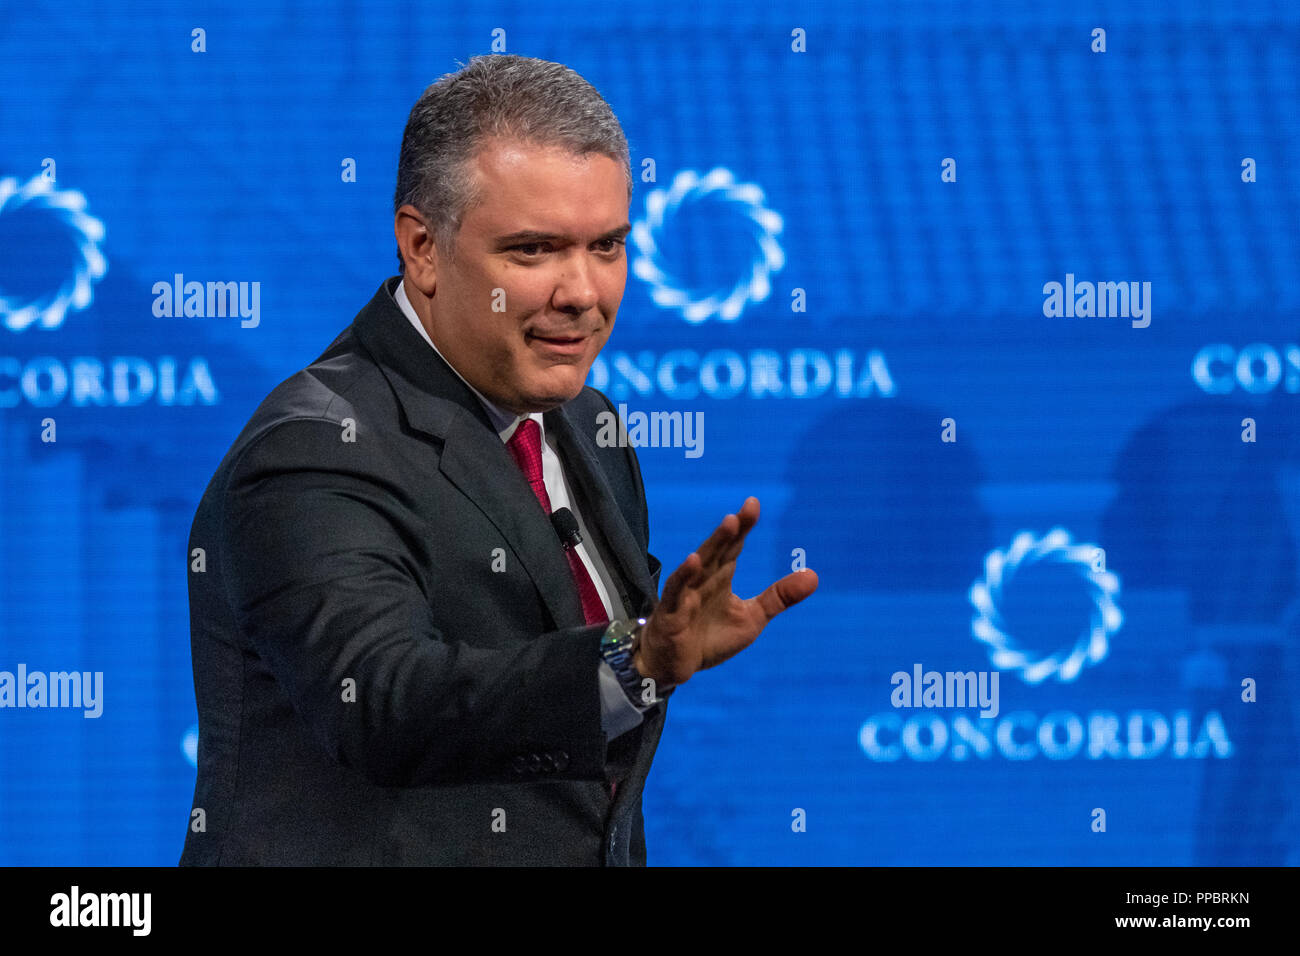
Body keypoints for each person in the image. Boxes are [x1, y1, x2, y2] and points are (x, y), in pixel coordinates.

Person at [179, 53, 817, 866]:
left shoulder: (587, 423)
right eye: (533, 251)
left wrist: (650, 656)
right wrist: (632, 664)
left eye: (608, 245)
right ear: (423, 249)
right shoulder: (317, 447)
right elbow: (380, 706)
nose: (584, 291)